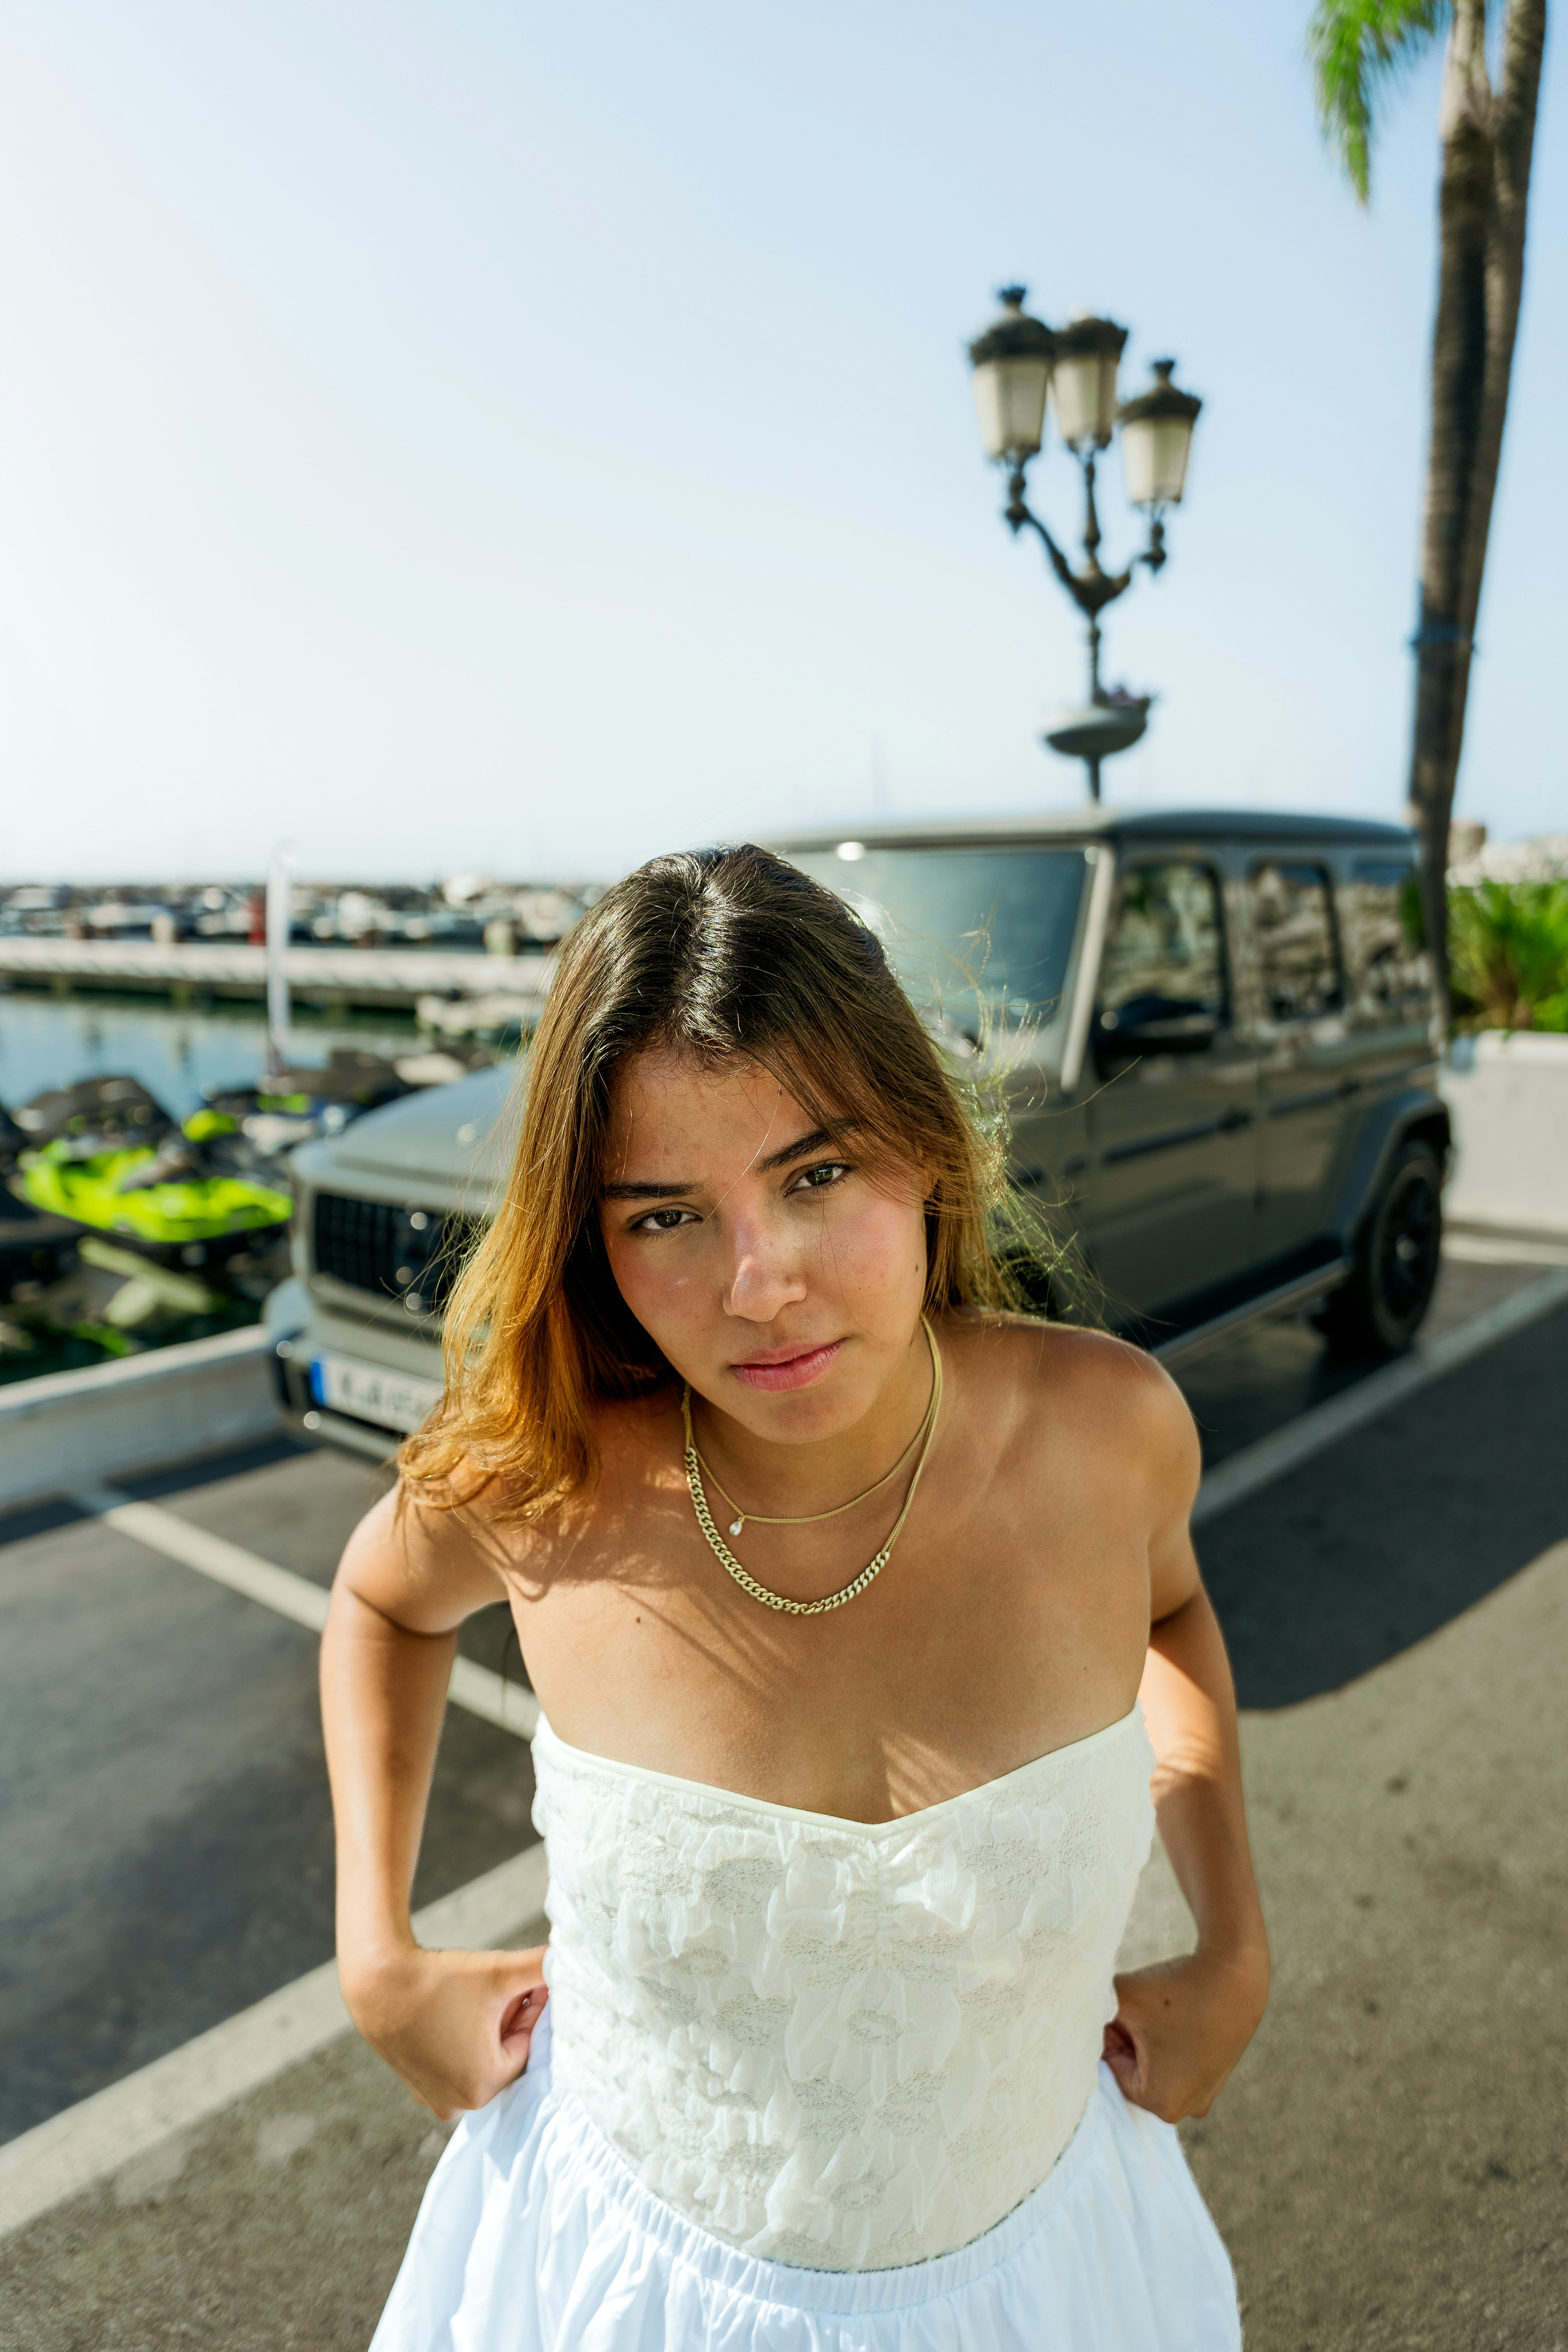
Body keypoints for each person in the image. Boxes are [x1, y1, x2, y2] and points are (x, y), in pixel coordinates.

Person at [321, 844, 1269, 2352]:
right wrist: (377, 1952)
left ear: (928, 1149)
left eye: (816, 1176)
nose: (758, 1284)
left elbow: (1169, 1615)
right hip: (620, 2291)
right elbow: (383, 1605)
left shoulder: (1111, 1431)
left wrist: (1233, 1942)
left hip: (1053, 2278)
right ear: (593, 1240)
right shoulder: (545, 1480)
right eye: (665, 1215)